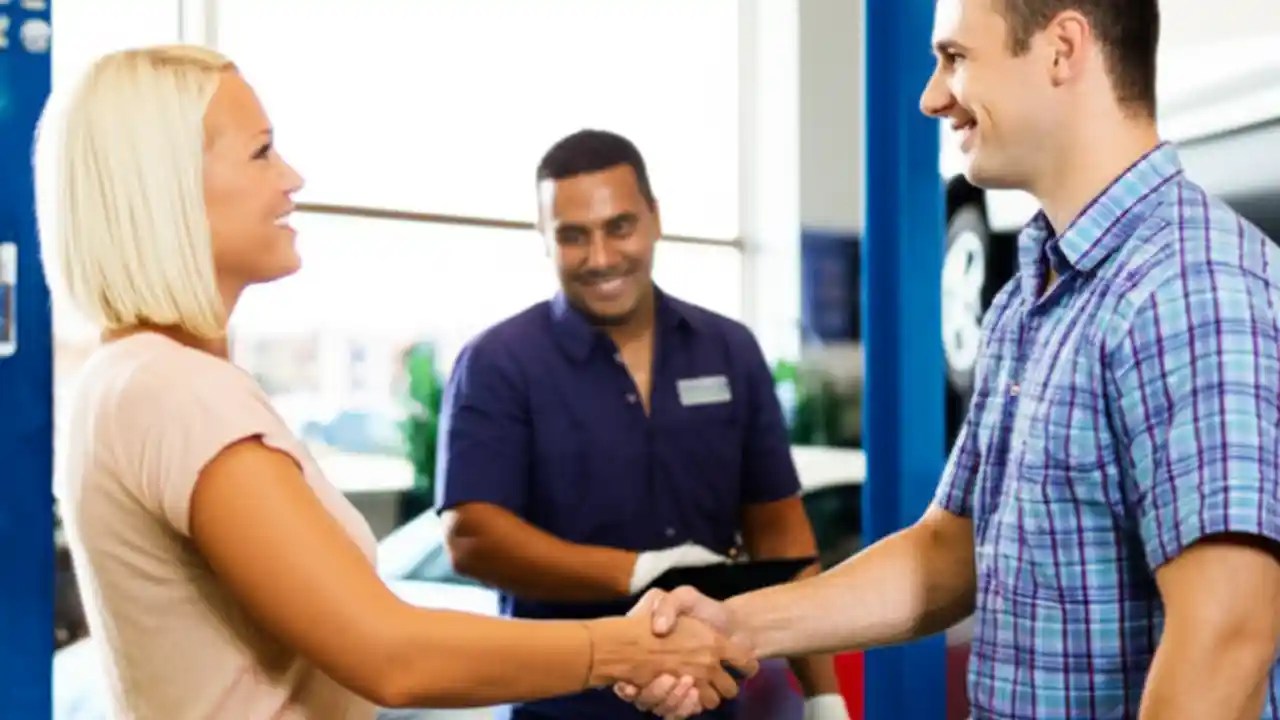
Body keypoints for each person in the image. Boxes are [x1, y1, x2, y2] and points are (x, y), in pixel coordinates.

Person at [40, 45, 757, 720]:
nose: (292, 178)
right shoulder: (177, 391)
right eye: (262, 152)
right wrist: (624, 646)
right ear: (166, 187)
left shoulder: (127, 379)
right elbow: (390, 654)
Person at [620, 0, 1280, 718]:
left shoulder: (1189, 284)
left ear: (1062, 49)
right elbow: (949, 550)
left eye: (956, 58)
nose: (933, 97)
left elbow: (1229, 638)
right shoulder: (1032, 298)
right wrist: (739, 622)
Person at [433, 129, 849, 719]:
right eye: (573, 236)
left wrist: (822, 693)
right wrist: (637, 571)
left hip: (711, 701)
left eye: (619, 227)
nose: (601, 258)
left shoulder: (728, 350)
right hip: (561, 709)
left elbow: (779, 529)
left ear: (654, 218)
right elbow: (473, 537)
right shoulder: (499, 363)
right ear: (544, 238)